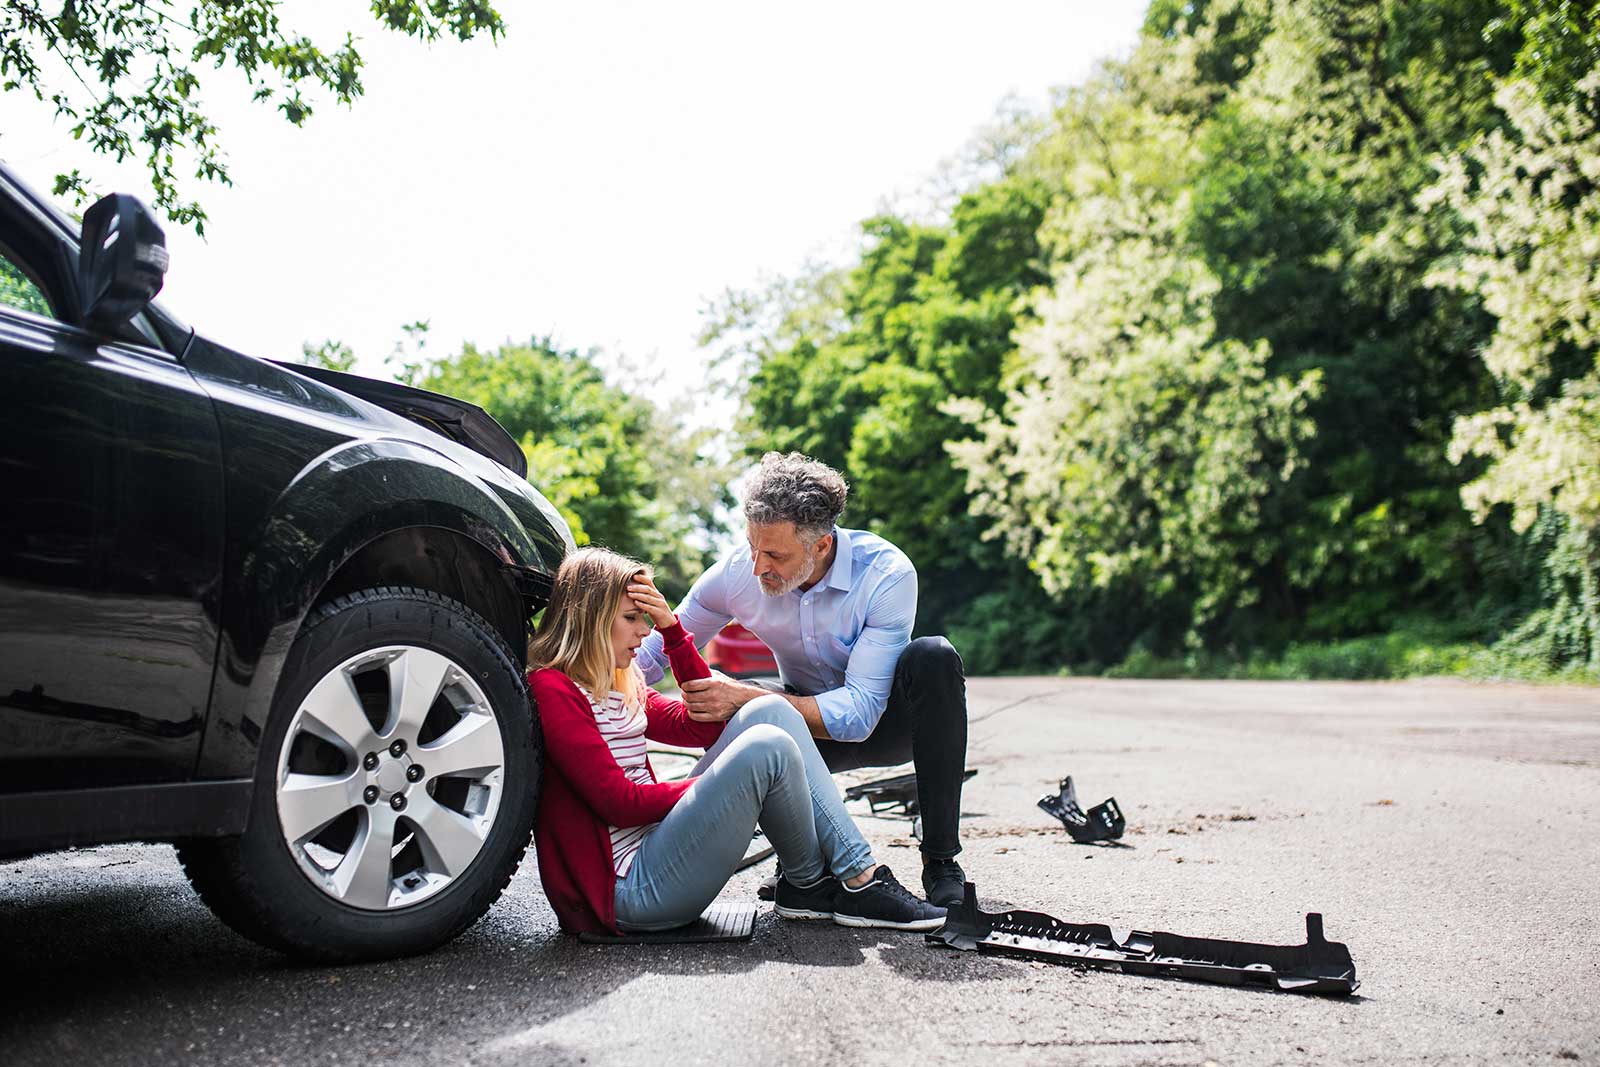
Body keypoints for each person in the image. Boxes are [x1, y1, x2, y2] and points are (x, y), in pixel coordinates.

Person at [528, 546, 945, 935]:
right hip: (625, 893)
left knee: (770, 711)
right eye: (631, 619)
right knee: (766, 747)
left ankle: (809, 886)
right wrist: (723, 787)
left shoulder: (620, 684)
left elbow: (703, 726)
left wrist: (674, 631)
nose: (644, 632)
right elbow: (616, 802)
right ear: (591, 618)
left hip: (655, 852)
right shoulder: (554, 689)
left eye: (647, 619)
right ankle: (857, 879)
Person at [633, 452, 971, 908]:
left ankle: (941, 859)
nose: (758, 566)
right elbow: (654, 650)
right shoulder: (737, 573)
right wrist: (589, 683)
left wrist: (745, 698)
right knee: (749, 706)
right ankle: (800, 864)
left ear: (822, 546)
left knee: (934, 657)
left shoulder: (886, 574)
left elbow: (858, 717)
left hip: (888, 725)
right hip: (802, 729)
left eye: (774, 554)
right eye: (753, 547)